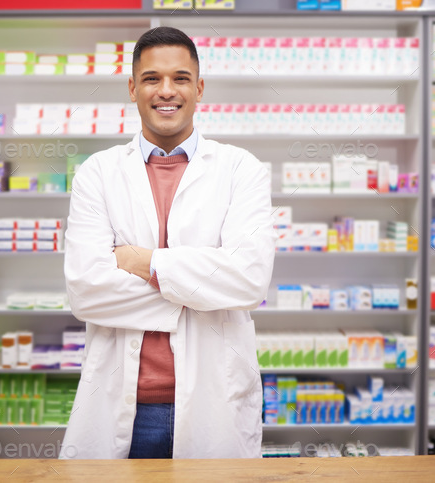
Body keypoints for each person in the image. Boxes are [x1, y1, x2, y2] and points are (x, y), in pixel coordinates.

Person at [60, 26, 276, 460]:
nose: (166, 91)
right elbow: (85, 291)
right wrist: (201, 288)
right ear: (132, 88)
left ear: (198, 88)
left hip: (215, 402)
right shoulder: (98, 173)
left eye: (180, 78)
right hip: (125, 405)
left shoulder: (241, 170)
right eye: (151, 78)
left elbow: (249, 281)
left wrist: (140, 261)